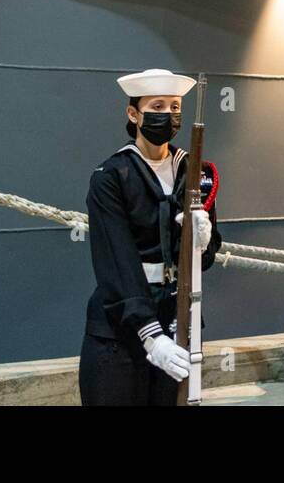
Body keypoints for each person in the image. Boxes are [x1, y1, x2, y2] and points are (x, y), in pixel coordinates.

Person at [79, 69, 222, 406]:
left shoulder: (195, 171)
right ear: (133, 114)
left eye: (174, 107)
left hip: (176, 316)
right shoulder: (112, 176)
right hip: (122, 324)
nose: (168, 115)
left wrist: (203, 240)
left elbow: (206, 259)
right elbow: (117, 262)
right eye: (157, 106)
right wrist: (150, 336)